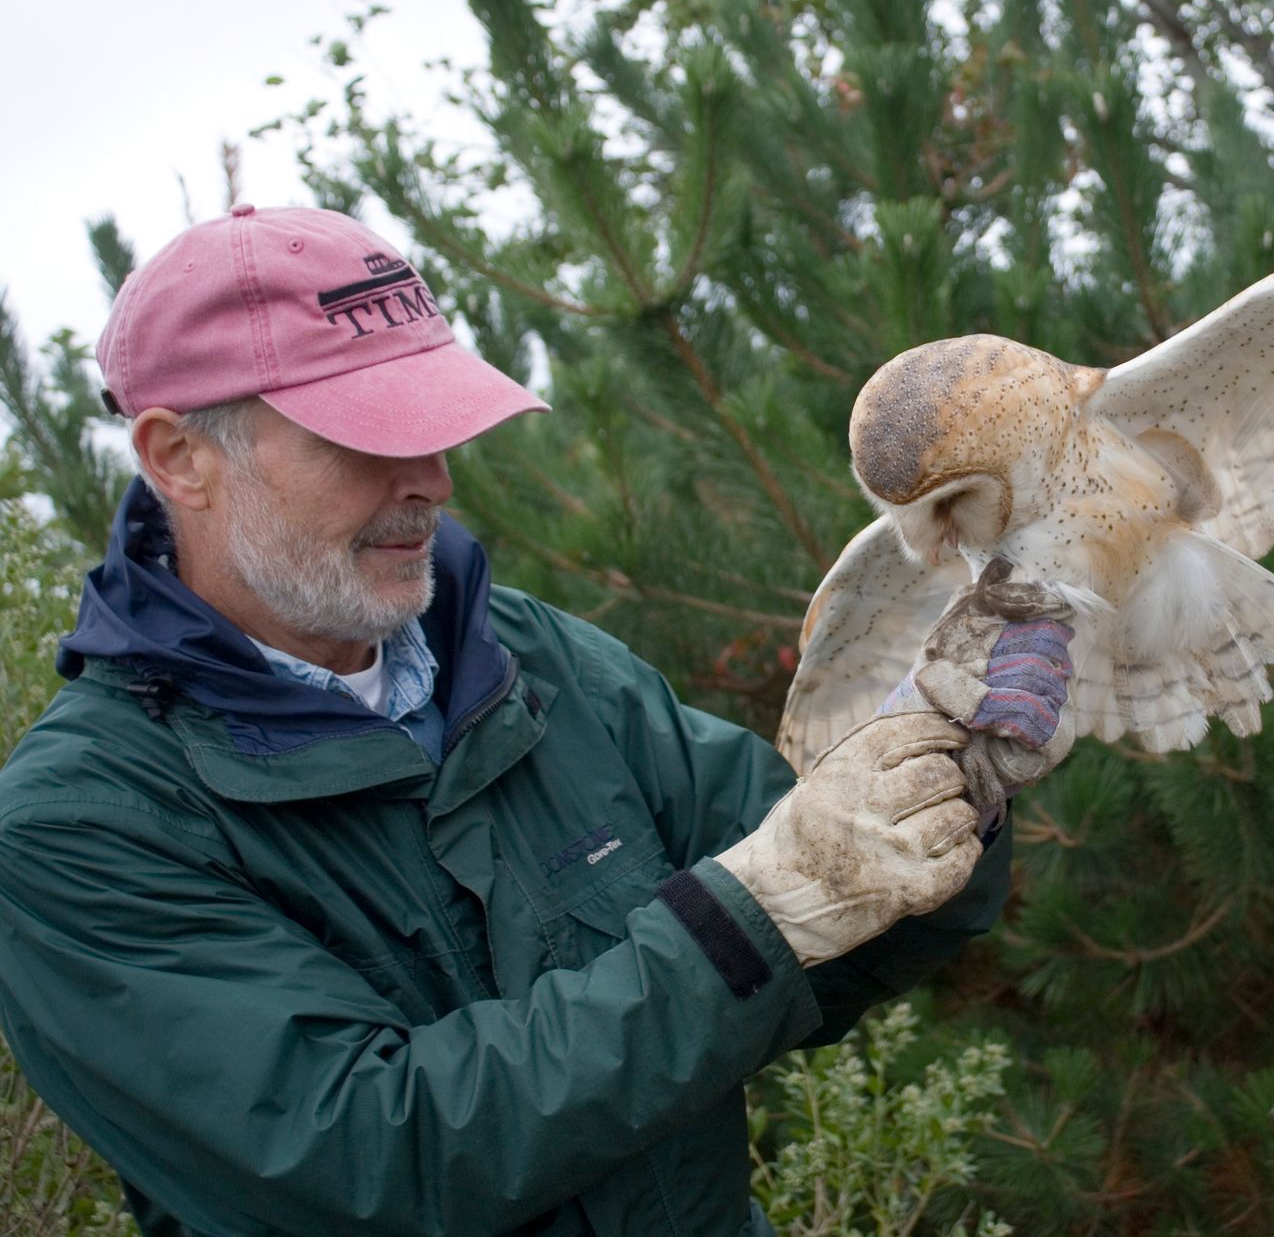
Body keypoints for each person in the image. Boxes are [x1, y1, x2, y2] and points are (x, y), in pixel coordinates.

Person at [0, 205, 1074, 1235]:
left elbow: (827, 908)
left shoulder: (525, 658)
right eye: (364, 438)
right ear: (178, 457)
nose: (430, 480)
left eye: (433, 424)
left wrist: (949, 778)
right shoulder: (82, 826)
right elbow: (370, 1164)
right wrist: (746, 921)